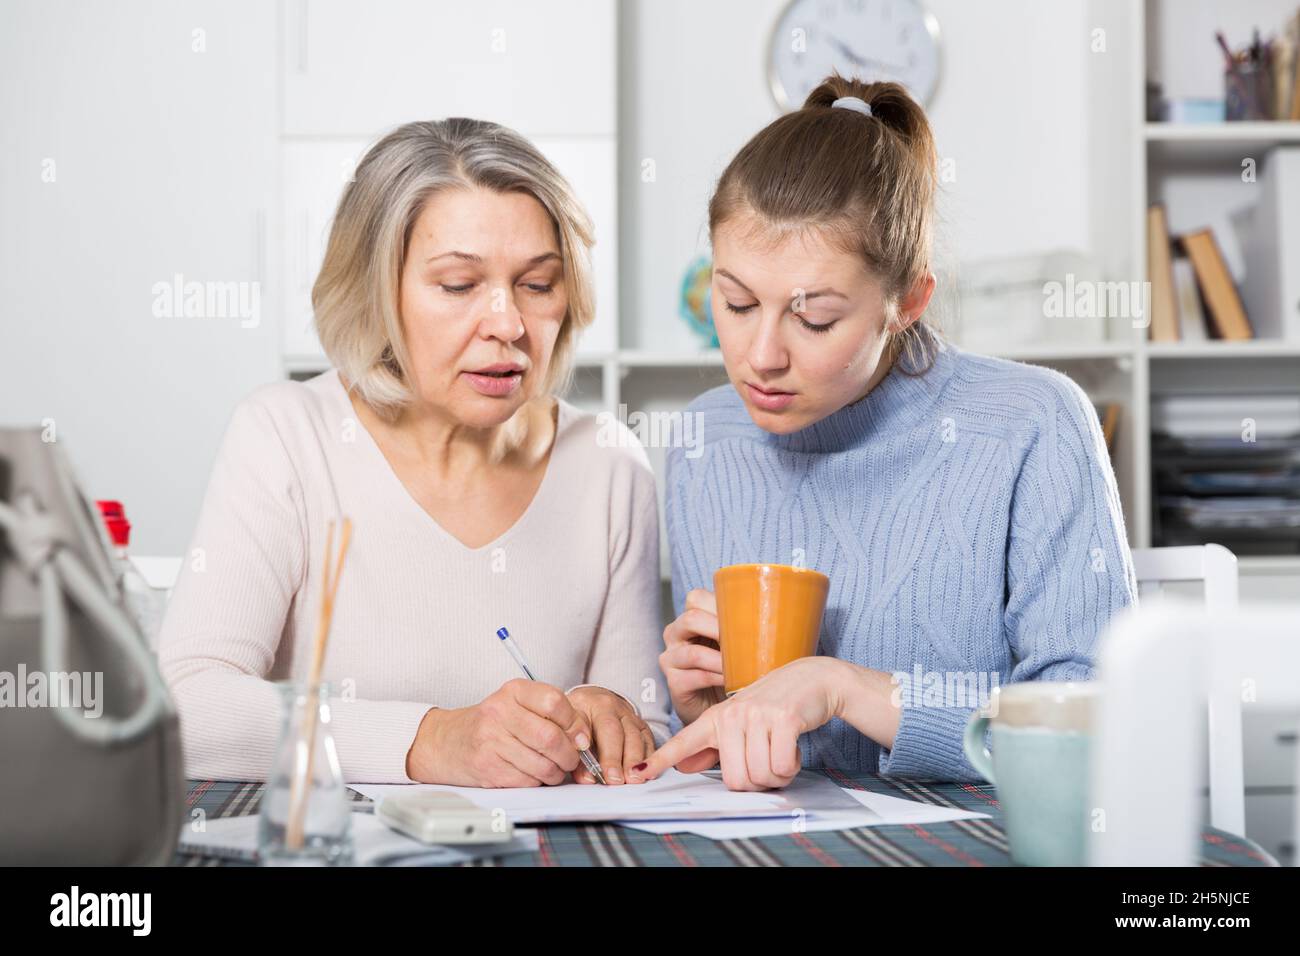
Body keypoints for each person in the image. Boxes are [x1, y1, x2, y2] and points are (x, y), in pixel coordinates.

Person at [633, 77, 1137, 791]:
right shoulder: (701, 440)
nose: (761, 355)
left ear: (908, 302)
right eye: (737, 301)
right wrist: (710, 712)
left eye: (814, 319)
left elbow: (1100, 726)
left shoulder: (1033, 426)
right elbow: (738, 755)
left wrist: (846, 689)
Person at [159, 119, 668, 786]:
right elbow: (186, 710)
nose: (509, 324)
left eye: (538, 284)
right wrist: (428, 740)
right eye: (459, 285)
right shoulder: (286, 435)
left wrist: (612, 720)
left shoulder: (609, 464)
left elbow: (643, 736)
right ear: (377, 292)